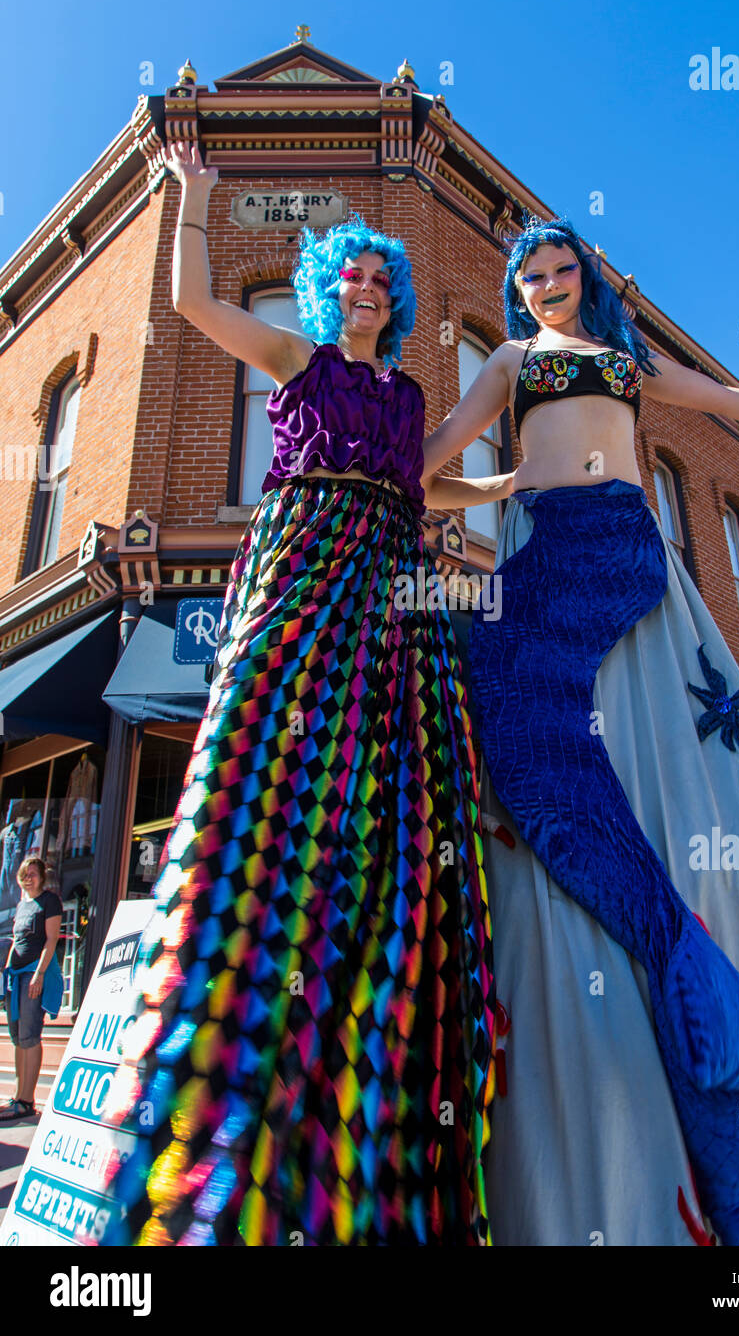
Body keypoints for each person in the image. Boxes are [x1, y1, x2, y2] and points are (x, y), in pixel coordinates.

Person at [421, 214, 739, 1247]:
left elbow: (723, 399)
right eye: (532, 275)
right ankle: (674, 951)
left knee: (537, 728)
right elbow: (434, 462)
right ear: (519, 288)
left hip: (626, 552)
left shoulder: (625, 361)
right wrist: (494, 485)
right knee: (516, 719)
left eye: (561, 271)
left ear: (584, 276)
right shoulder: (511, 359)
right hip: (545, 550)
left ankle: (683, 968)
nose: (547, 286)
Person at [93, 141, 499, 1246]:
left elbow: (423, 476)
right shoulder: (295, 359)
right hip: (302, 567)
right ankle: (214, 1083)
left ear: (394, 302)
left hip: (386, 585)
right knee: (256, 776)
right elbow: (187, 298)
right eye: (353, 283)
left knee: (389, 809)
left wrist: (501, 478)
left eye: (381, 286)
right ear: (331, 294)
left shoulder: (408, 393)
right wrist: (193, 198)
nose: (366, 295)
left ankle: (359, 1097)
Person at [0, 856, 63, 1121]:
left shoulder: (49, 901)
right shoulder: (22, 904)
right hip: (15, 976)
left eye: (33, 874)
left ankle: (27, 1099)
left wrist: (38, 975)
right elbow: (17, 941)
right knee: (17, 1038)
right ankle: (18, 1096)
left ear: (42, 877)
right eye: (25, 874)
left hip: (33, 975)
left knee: (30, 1035)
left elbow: (51, 940)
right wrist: (5, 971)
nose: (29, 878)